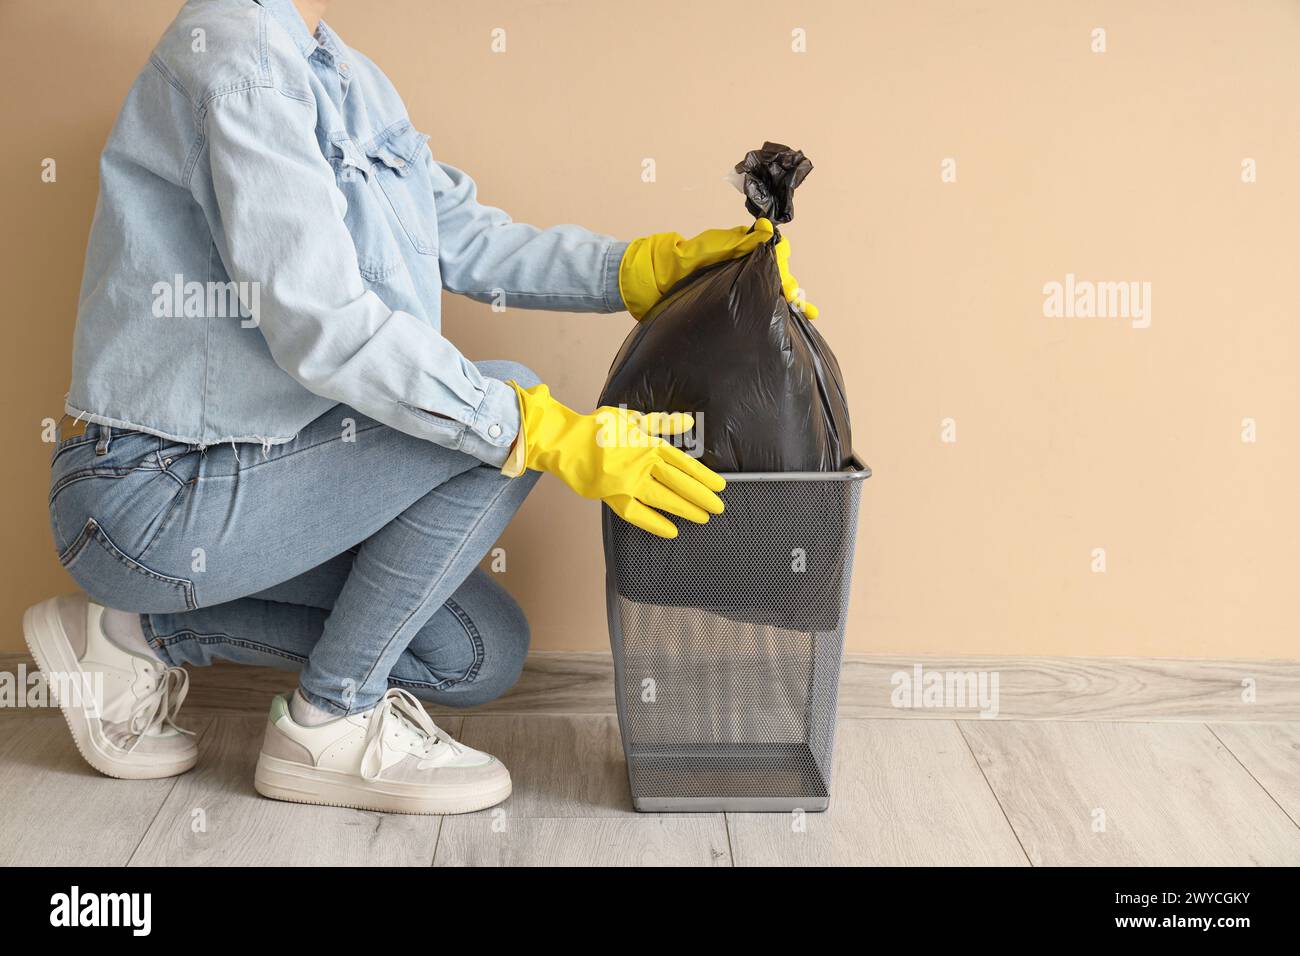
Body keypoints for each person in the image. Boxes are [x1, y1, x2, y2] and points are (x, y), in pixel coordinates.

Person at [23, 0, 813, 814]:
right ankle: (327, 727)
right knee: (500, 405)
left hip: (265, 486)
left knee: (477, 653)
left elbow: (468, 238)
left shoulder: (343, 74)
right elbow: (322, 325)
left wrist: (642, 269)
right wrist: (541, 431)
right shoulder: (238, 58)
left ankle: (134, 634)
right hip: (152, 494)